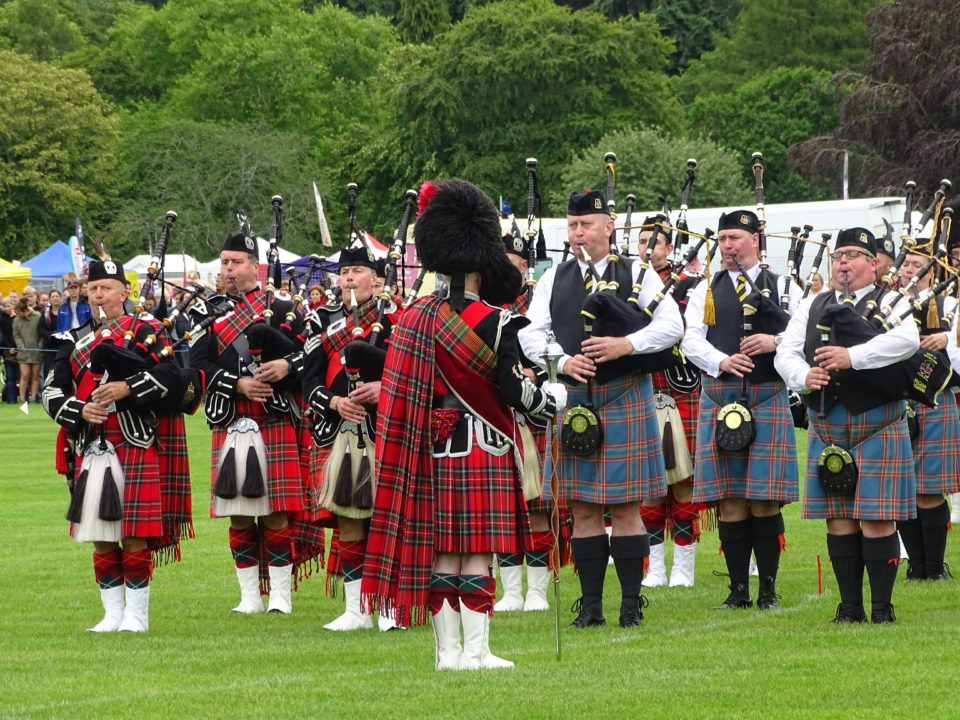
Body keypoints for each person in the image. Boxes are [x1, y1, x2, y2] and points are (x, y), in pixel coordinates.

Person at [361, 178, 561, 670]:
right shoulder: (496, 320)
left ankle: (446, 654)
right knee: (476, 554)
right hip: (483, 446)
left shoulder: (411, 319)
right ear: (481, 257)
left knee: (441, 554)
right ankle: (478, 651)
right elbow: (517, 394)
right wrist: (552, 400)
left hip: (427, 449)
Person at [519, 191, 684, 629]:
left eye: (585, 225)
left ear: (608, 226)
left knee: (627, 507)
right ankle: (590, 606)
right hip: (576, 401)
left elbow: (672, 326)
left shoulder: (637, 272)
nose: (577, 234)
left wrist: (626, 344)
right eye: (571, 226)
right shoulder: (556, 277)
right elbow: (530, 334)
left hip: (624, 395)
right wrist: (560, 360)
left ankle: (631, 605)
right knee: (583, 508)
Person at [42, 258, 198, 632]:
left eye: (107, 288)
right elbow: (51, 391)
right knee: (100, 533)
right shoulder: (71, 340)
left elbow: (171, 377)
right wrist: (81, 410)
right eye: (93, 288)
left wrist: (127, 388)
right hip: (92, 443)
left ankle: (136, 615)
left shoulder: (146, 329)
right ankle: (112, 613)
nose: (99, 295)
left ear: (123, 292)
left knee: (132, 532)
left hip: (133, 438)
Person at [775, 228, 918, 623]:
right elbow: (785, 349)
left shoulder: (892, 301)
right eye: (838, 255)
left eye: (853, 254)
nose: (843, 262)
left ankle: (882, 607)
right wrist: (803, 376)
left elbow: (906, 342)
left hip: (877, 424)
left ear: (873, 264)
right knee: (838, 517)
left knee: (876, 516)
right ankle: (849, 606)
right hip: (828, 423)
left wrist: (851, 356)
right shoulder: (813, 303)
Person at [189, 229, 322, 615]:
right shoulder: (207, 312)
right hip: (232, 418)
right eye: (225, 263)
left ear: (255, 266)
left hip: (276, 416)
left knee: (277, 508)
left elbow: (312, 356)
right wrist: (238, 385)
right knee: (240, 511)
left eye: (237, 262)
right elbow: (195, 368)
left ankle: (280, 595)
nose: (229, 270)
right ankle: (249, 597)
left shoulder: (284, 307)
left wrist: (285, 365)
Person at [682, 210, 801, 610]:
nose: (728, 246)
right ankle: (737, 591)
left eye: (735, 237)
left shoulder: (784, 285)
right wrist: (722, 362)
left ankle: (767, 589)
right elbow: (690, 339)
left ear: (755, 239)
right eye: (723, 239)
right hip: (721, 396)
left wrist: (774, 342)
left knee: (764, 497)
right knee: (730, 498)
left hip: (767, 395)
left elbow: (803, 334)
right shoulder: (706, 290)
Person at [301, 247, 401, 631]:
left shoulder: (397, 320)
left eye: (356, 271)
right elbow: (308, 382)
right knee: (348, 518)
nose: (347, 278)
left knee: (389, 518)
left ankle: (391, 607)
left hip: (386, 429)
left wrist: (384, 389)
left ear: (374, 279)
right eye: (343, 271)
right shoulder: (319, 324)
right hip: (341, 429)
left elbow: (414, 374)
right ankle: (356, 609)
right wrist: (336, 401)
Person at [634, 216, 706, 588]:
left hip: (681, 392)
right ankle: (655, 566)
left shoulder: (691, 287)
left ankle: (683, 566)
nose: (646, 248)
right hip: (644, 390)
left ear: (670, 249)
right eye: (642, 241)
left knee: (683, 482)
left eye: (655, 242)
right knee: (649, 484)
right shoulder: (628, 284)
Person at [493, 232, 558, 613]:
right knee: (502, 503)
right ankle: (511, 592)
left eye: (514, 261)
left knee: (536, 505)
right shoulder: (485, 304)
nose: (507, 266)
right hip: (500, 412)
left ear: (525, 265)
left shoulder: (540, 301)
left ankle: (536, 591)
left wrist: (537, 373)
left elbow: (555, 346)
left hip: (534, 411)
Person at [890, 245, 960, 580]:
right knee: (904, 488)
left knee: (929, 488)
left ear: (932, 272)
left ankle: (934, 567)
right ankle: (916, 567)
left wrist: (947, 339)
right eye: (905, 265)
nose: (909, 271)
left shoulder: (950, 306)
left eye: (917, 265)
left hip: (935, 401)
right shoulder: (885, 305)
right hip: (895, 402)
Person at [13, 298, 42, 403]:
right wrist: (20, 346)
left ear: (25, 311)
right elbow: (16, 335)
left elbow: (42, 332)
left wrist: (40, 346)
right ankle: (22, 397)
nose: (16, 315)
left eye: (18, 313)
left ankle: (33, 397)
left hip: (36, 350)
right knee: (25, 375)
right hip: (23, 352)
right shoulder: (16, 320)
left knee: (35, 375)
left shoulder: (37, 316)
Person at [1, 299, 19, 403]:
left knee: (19, 376)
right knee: (10, 376)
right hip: (7, 350)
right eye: (6, 306)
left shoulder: (18, 317)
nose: (8, 308)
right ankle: (11, 400)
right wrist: (10, 347)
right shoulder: (3, 318)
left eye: (10, 305)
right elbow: (7, 332)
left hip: (19, 349)